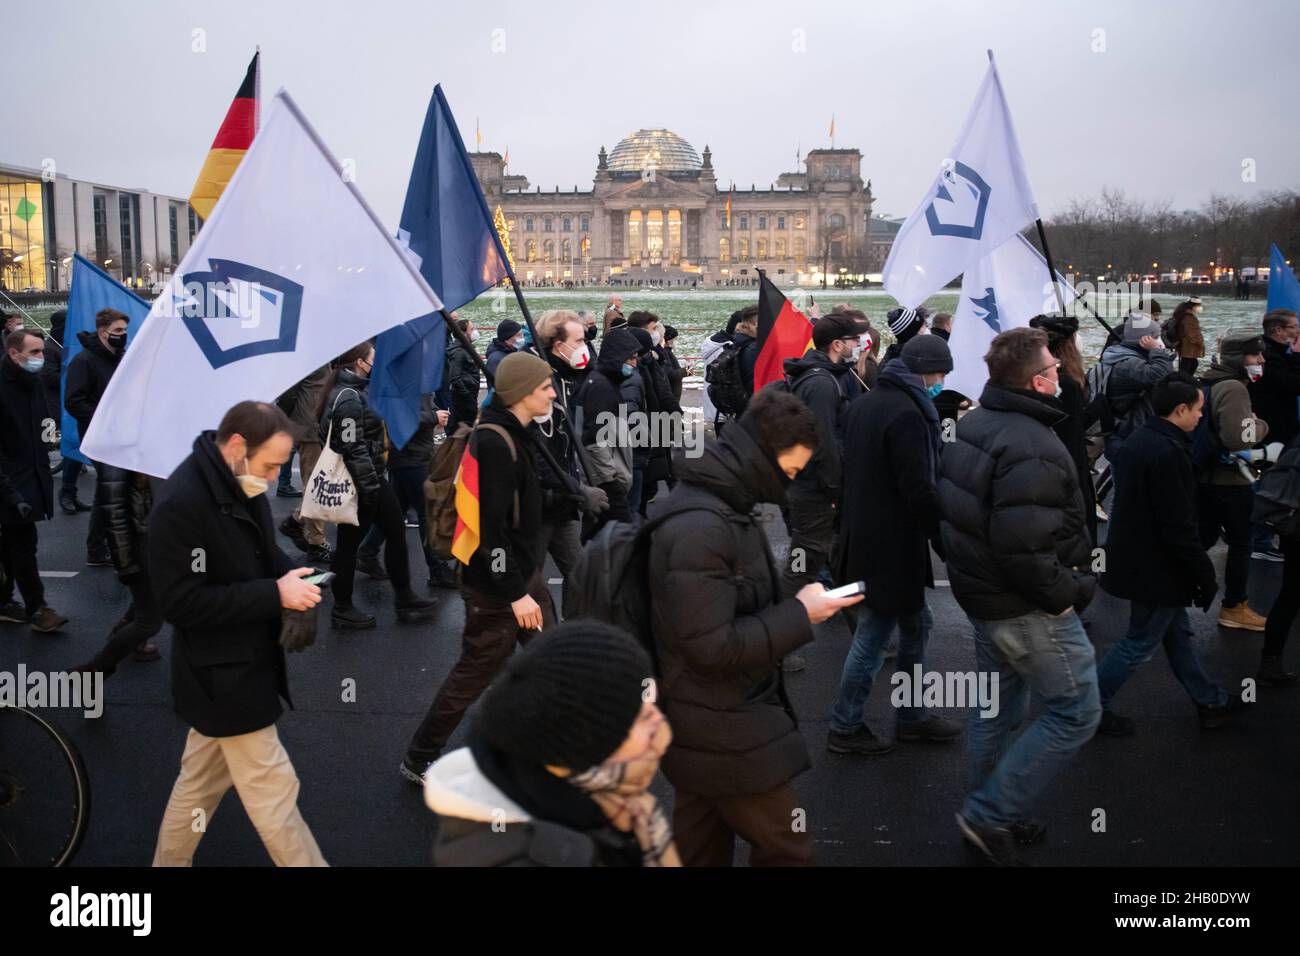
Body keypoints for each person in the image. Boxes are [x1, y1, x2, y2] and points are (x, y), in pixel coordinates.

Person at [647, 388, 863, 866]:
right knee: (788, 849)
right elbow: (712, 647)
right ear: (764, 456)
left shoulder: (719, 504)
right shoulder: (704, 526)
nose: (791, 482)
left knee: (697, 846)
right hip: (723, 724)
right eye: (789, 469)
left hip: (702, 720)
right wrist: (801, 615)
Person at [938, 327, 1100, 866]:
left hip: (984, 598)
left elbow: (963, 516)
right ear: (1039, 380)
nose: (1061, 373)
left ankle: (989, 813)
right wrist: (1064, 596)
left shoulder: (978, 422)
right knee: (1076, 710)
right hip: (1025, 606)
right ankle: (988, 813)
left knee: (998, 713)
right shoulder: (1032, 443)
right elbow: (1024, 547)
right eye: (1054, 367)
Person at [148, 401, 327, 866]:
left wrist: (294, 575)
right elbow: (180, 603)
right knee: (275, 797)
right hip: (226, 675)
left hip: (229, 669)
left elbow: (258, 551)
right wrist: (275, 594)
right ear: (235, 446)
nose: (272, 479)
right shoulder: (182, 502)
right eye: (270, 466)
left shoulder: (231, 478)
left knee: (198, 790)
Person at [403, 353, 559, 782]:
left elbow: (526, 502)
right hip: (497, 585)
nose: (552, 392)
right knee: (474, 672)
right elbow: (490, 532)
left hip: (521, 574)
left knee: (550, 657)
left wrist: (575, 496)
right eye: (545, 386)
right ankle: (419, 758)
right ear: (523, 392)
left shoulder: (521, 431)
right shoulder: (494, 441)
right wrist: (515, 594)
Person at [424, 621, 679, 866]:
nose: (659, 722)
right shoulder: (536, 855)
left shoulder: (607, 801)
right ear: (586, 745)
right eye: (641, 715)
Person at [830, 334, 963, 753]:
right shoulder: (908, 413)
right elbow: (918, 488)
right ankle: (845, 726)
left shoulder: (866, 403)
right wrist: (945, 541)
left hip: (866, 535)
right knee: (872, 636)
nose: (942, 382)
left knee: (915, 624)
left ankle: (912, 716)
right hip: (890, 545)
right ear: (927, 371)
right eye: (940, 373)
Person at [1096, 374, 1243, 734]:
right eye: (1198, 410)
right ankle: (1089, 707)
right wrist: (1203, 574)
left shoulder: (1141, 441)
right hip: (1158, 569)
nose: (1200, 417)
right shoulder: (1169, 453)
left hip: (1140, 561)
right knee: (1138, 642)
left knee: (1177, 636)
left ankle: (1210, 699)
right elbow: (1177, 526)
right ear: (1180, 410)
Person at [316, 342, 437, 629]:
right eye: (372, 357)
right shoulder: (348, 396)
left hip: (368, 476)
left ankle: (401, 595)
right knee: (353, 542)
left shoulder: (354, 390)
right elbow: (350, 446)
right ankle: (346, 607)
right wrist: (370, 488)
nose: (376, 361)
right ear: (360, 362)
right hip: (363, 480)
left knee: (382, 534)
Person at [778, 313, 860, 611]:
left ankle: (866, 637)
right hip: (814, 492)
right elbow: (823, 441)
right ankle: (777, 641)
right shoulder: (822, 384)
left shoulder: (822, 376)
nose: (859, 344)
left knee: (833, 563)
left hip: (810, 487)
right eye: (854, 340)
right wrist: (834, 490)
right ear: (838, 345)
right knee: (802, 566)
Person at [1196, 329, 1270, 632]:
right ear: (1241, 358)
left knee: (1203, 537)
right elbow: (1240, 438)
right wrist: (1261, 425)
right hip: (1231, 483)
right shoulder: (1235, 388)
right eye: (1256, 355)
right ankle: (1234, 605)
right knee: (1241, 543)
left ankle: (1168, 587)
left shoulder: (1210, 380)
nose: (1261, 360)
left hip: (1206, 477)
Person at [535, 310, 607, 597]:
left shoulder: (564, 378)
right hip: (538, 505)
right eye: (578, 340)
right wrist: (578, 488)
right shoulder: (539, 382)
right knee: (529, 581)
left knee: (579, 575)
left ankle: (573, 631)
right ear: (557, 344)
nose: (585, 347)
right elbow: (539, 455)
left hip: (562, 501)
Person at [0, 330, 67, 633]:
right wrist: (12, 493)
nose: (42, 358)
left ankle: (5, 602)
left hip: (28, 477)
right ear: (14, 354)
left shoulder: (33, 384)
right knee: (24, 546)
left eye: (41, 351)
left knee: (12, 546)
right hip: (10, 483)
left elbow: (42, 422)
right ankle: (37, 608)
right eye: (35, 352)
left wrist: (49, 440)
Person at [71, 462, 163, 674]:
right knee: (149, 622)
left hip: (155, 537)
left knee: (154, 600)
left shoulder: (147, 446)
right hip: (140, 542)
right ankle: (91, 672)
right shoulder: (121, 456)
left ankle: (125, 634)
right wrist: (125, 563)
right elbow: (114, 511)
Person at [355, 393, 454, 588]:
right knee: (427, 513)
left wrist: (436, 413)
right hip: (409, 456)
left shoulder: (416, 377)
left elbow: (425, 404)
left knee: (396, 510)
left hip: (412, 454)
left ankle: (367, 552)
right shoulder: (402, 378)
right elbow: (398, 416)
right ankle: (437, 570)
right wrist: (434, 417)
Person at [1031, 314, 1106, 544]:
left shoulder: (1040, 379)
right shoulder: (1066, 385)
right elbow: (1072, 430)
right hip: (1070, 468)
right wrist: (1101, 405)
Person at [64, 307, 129, 567]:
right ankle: (100, 548)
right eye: (118, 331)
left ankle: (104, 548)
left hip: (122, 434)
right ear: (103, 332)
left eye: (125, 330)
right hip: (101, 436)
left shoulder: (121, 357)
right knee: (109, 492)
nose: (123, 335)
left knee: (112, 492)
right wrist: (104, 419)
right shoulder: (85, 361)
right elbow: (73, 401)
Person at [575, 328, 639, 527]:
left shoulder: (602, 381)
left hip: (601, 477)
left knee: (597, 534)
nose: (634, 364)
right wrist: (613, 479)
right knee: (620, 537)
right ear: (617, 357)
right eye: (631, 359)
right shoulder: (602, 387)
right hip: (606, 482)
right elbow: (594, 440)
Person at [1099, 311, 1175, 466]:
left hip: (1129, 434)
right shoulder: (1127, 364)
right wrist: (1157, 351)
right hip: (1128, 436)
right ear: (1145, 340)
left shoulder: (1127, 357)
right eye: (1155, 336)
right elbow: (1162, 376)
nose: (1159, 340)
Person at [275, 366, 332, 565]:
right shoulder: (313, 358)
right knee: (317, 486)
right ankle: (316, 542)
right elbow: (289, 394)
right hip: (311, 429)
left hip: (322, 425)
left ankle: (295, 521)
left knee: (322, 484)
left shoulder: (329, 355)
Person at [1249, 309, 1300, 448]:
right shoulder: (1268, 356)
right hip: (1272, 426)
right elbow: (1294, 385)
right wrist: (1297, 355)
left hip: (1278, 421)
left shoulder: (1278, 351)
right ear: (1278, 330)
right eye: (1294, 327)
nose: (1298, 331)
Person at [445, 318, 482, 432]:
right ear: (464, 333)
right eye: (472, 329)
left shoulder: (468, 348)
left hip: (470, 394)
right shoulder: (459, 352)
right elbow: (455, 377)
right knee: (463, 427)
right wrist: (467, 395)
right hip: (464, 398)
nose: (474, 331)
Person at [661, 325, 685, 403]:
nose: (676, 341)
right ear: (668, 340)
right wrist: (685, 371)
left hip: (673, 396)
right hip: (671, 396)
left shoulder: (668, 351)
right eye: (674, 339)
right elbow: (670, 374)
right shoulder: (664, 353)